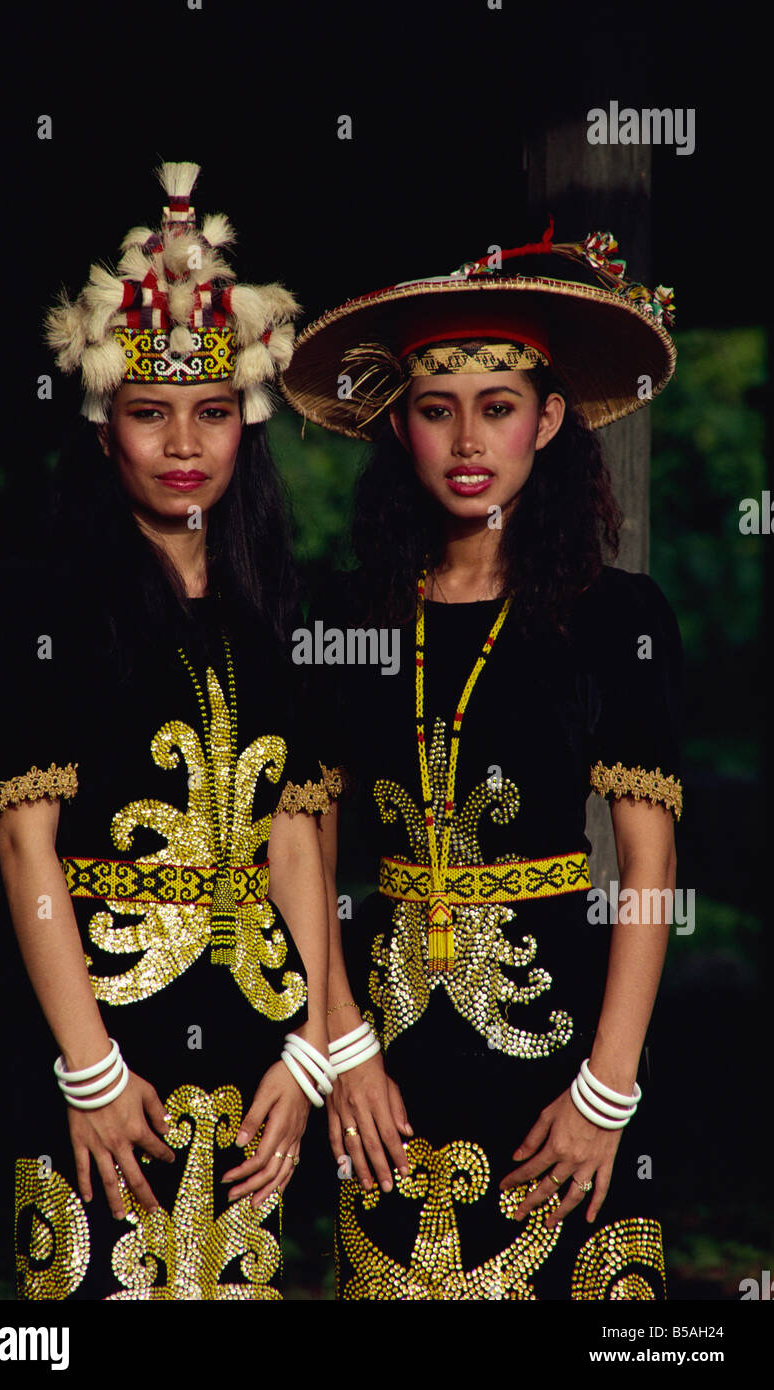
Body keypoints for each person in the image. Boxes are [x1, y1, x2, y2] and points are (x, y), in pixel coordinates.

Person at [280, 226, 683, 1299]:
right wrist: (339, 1041)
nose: (468, 439)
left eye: (497, 406)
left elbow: (648, 869)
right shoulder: (344, 613)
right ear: (397, 427)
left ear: (546, 421)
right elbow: (301, 838)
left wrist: (609, 1087)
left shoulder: (614, 617)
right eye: (435, 407)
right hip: (386, 1056)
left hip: (570, 1051)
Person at [0, 161, 337, 1300]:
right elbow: (23, 845)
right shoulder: (47, 605)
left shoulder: (278, 608)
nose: (184, 443)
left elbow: (294, 843)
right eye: (148, 413)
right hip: (105, 1033)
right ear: (102, 432)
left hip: (260, 1045)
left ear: (247, 425)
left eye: (213, 412)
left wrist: (313, 1045)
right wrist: (87, 1068)